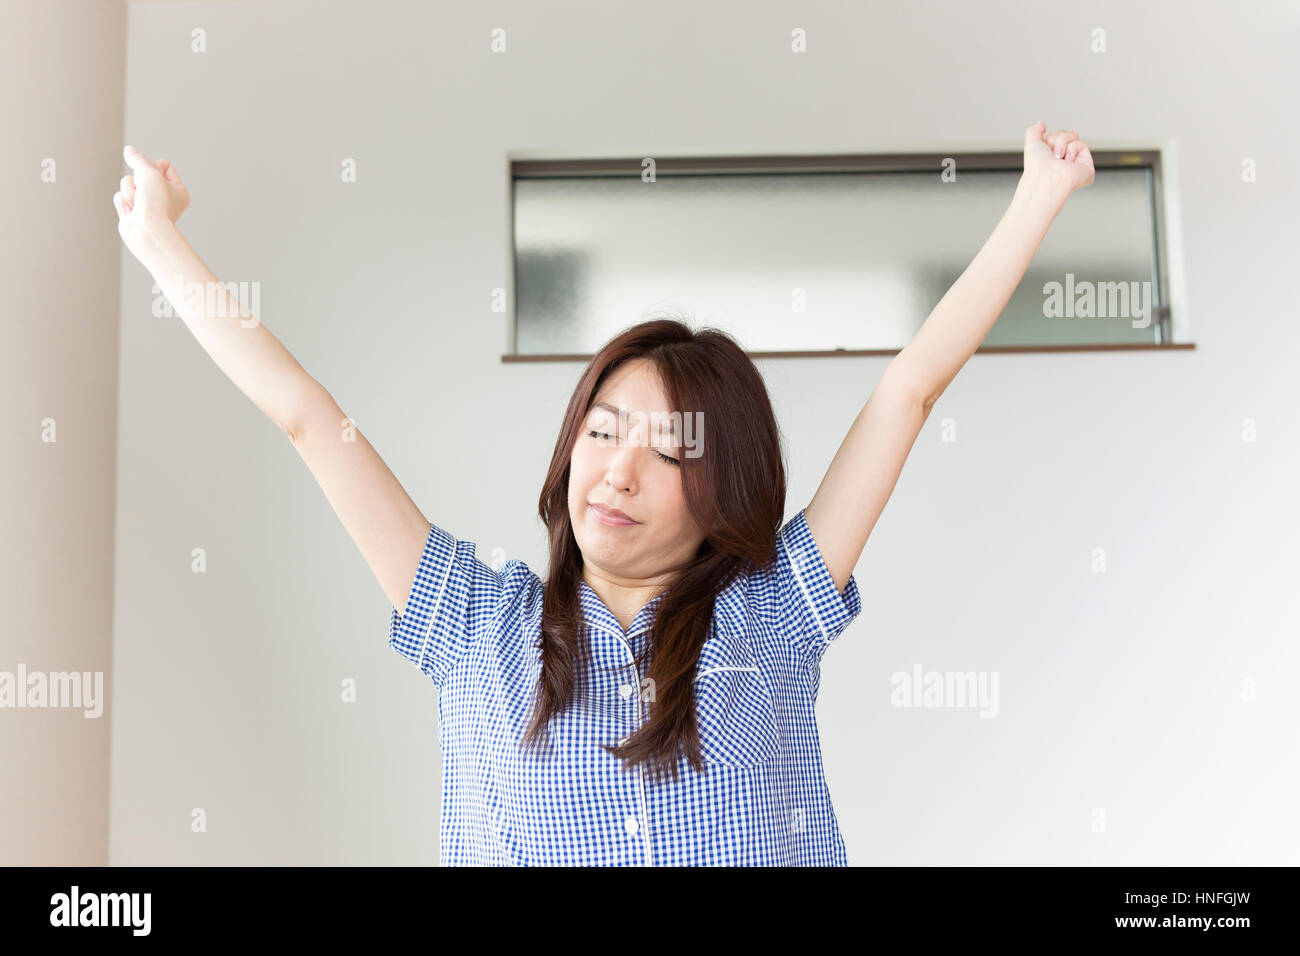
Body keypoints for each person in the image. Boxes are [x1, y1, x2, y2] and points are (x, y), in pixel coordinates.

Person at [113, 123, 1095, 865]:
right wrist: (158, 239)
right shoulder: (474, 622)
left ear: (721, 488)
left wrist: (1038, 196)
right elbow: (308, 419)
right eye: (600, 429)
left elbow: (906, 391)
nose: (615, 468)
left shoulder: (772, 615)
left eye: (667, 450)